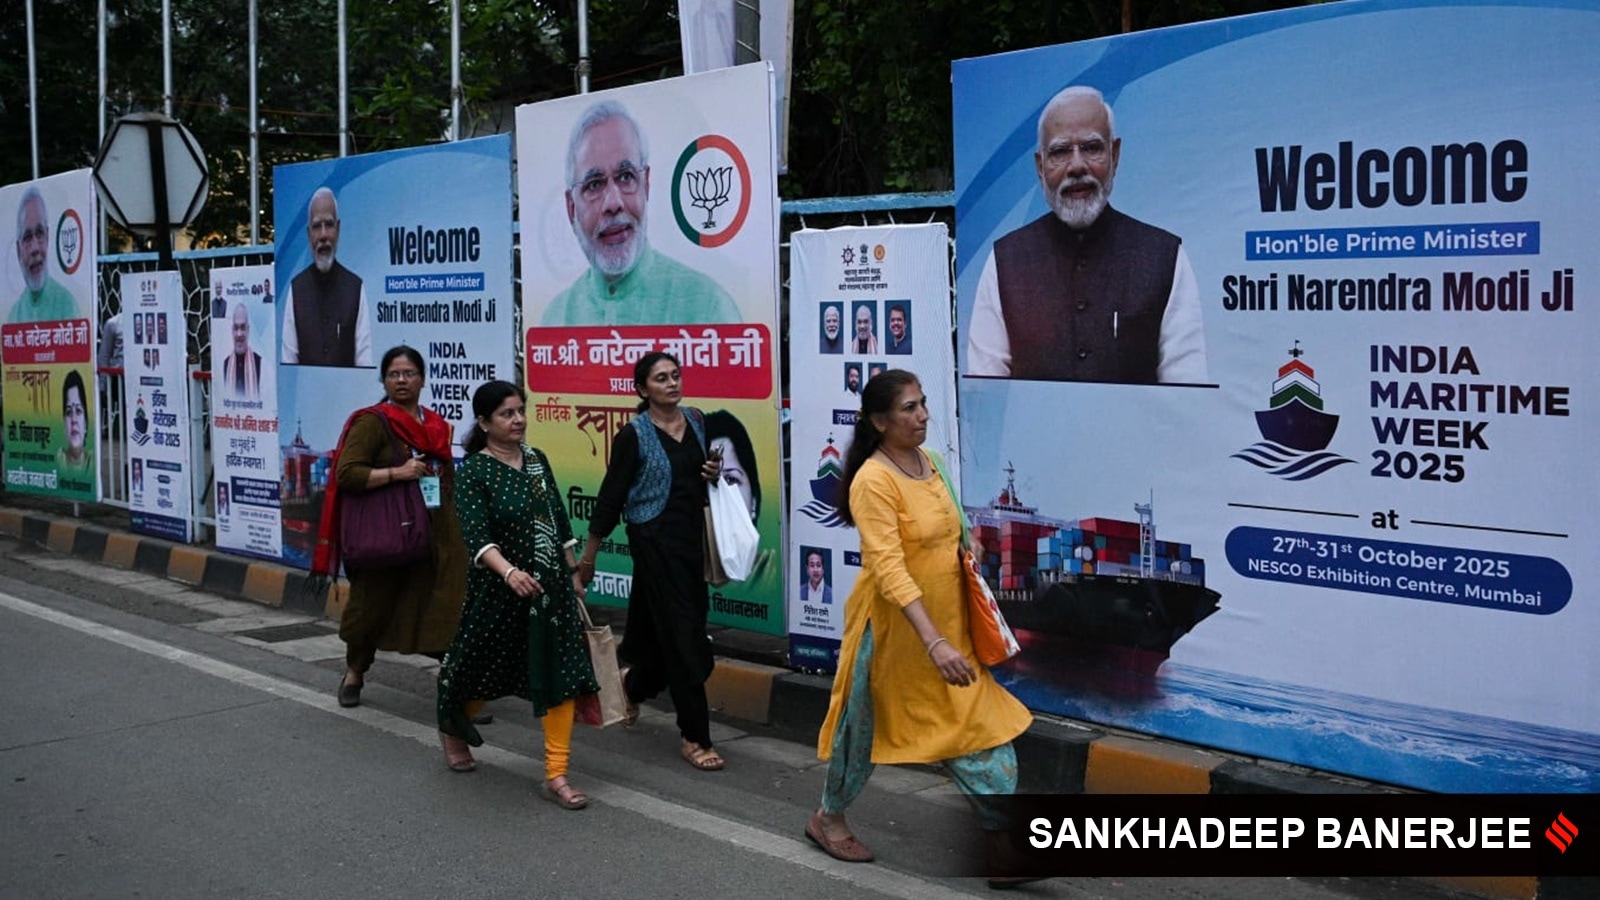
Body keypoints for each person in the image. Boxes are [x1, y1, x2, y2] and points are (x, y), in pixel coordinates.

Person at [806, 368, 1035, 883]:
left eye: (923, 404)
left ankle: (1003, 850)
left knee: (983, 735)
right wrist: (932, 642)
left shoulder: (929, 462)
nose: (923, 415)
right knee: (860, 731)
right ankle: (828, 817)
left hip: (951, 632)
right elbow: (888, 569)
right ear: (879, 421)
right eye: (909, 408)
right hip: (895, 636)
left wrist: (969, 547)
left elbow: (955, 528)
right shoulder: (872, 480)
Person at [966, 85, 1208, 384]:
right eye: (1060, 151)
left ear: (1114, 155)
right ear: (1040, 167)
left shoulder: (1165, 258)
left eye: (1092, 148)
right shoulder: (1005, 261)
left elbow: (1188, 392)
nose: (1077, 165)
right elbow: (986, 392)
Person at [435, 380, 599, 807]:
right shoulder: (473, 471)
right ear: (485, 422)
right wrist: (509, 573)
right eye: (507, 413)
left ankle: (556, 774)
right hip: (499, 592)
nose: (519, 420)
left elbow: (557, 519)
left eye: (521, 411)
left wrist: (573, 571)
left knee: (559, 677)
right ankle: (454, 727)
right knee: (484, 672)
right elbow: (477, 536)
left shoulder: (537, 461)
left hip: (551, 592)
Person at [578, 351, 727, 772]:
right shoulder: (634, 435)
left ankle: (631, 685)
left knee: (666, 633)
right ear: (643, 390)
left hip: (691, 544)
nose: (672, 383)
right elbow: (611, 497)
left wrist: (712, 470)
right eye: (661, 378)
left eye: (676, 375)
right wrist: (590, 554)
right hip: (653, 544)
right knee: (685, 639)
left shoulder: (697, 421)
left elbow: (703, 474)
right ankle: (695, 736)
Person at [315, 345, 467, 709]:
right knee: (373, 606)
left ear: (423, 379)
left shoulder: (434, 425)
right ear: (383, 380)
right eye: (394, 374)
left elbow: (445, 474)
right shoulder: (372, 422)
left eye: (409, 373)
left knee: (445, 606)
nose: (402, 380)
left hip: (436, 532)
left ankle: (457, 694)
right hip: (389, 534)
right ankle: (355, 673)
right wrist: (398, 473)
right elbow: (347, 473)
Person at [541, 101, 739, 326]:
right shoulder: (555, 320)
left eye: (626, 177)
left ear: (646, 185)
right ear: (571, 208)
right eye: (594, 185)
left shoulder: (708, 308)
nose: (613, 203)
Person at [282, 187, 373, 367]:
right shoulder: (296, 289)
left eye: (329, 225)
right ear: (309, 235)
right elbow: (288, 361)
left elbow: (365, 363)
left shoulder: (355, 288)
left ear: (338, 229)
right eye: (317, 226)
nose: (323, 235)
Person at [9, 187, 82, 324]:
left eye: (40, 233)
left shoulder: (67, 306)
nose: (35, 248)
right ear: (18, 251)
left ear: (48, 237)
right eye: (27, 237)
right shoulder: (14, 316)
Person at [221, 303, 264, 398]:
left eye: (243, 327)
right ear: (232, 331)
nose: (239, 334)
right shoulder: (226, 363)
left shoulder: (260, 362)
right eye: (236, 328)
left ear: (248, 330)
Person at [55, 370, 92, 473]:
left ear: (86, 422)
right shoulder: (58, 463)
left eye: (79, 411)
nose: (74, 420)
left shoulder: (93, 464)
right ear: (63, 423)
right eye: (68, 412)